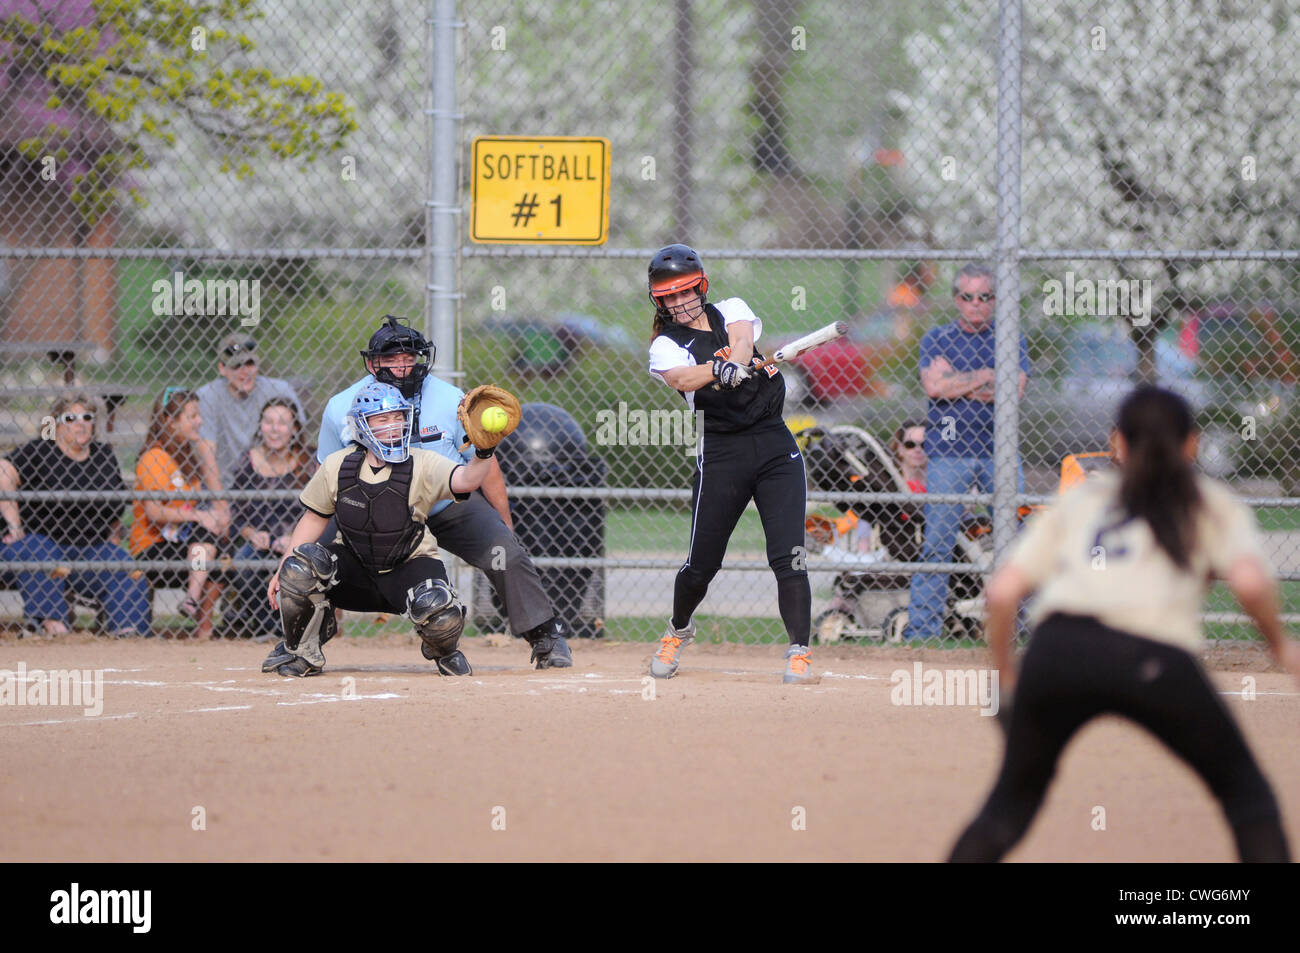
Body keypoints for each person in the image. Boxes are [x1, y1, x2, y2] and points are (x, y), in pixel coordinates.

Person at [949, 386, 1300, 863]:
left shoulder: (1083, 499)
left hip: (1058, 651)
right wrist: (1280, 646)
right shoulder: (1207, 501)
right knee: (1246, 796)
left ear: (1120, 443)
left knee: (1009, 806)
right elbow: (1251, 583)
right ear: (1192, 445)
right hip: (1153, 656)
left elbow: (1003, 592)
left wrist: (1007, 677)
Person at [282, 314, 572, 671]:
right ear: (373, 364)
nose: (404, 366)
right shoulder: (342, 407)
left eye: (410, 357)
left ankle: (545, 634)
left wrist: (504, 522)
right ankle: (298, 641)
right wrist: (290, 559)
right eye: (392, 358)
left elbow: (483, 466)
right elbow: (327, 474)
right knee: (303, 564)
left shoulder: (451, 399)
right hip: (369, 509)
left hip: (444, 503)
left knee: (504, 552)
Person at [645, 243, 814, 684]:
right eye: (668, 296)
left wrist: (735, 362)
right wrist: (716, 372)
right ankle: (679, 628)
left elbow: (742, 340)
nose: (679, 303)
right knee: (702, 564)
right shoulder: (665, 345)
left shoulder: (731, 308)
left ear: (702, 286)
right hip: (722, 452)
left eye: (686, 292)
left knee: (789, 556)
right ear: (659, 301)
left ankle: (799, 651)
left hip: (776, 446)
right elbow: (681, 379)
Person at [260, 381, 498, 677]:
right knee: (299, 567)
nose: (393, 425)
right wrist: (283, 567)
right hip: (353, 568)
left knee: (437, 607)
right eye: (382, 419)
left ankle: (442, 647)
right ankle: (303, 649)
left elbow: (466, 480)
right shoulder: (338, 465)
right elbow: (312, 519)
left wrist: (484, 451)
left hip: (408, 567)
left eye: (398, 417)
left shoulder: (421, 462)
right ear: (361, 425)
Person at [906, 263, 1029, 641]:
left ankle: (1022, 627)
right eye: (968, 296)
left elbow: (1014, 391)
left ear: (994, 300)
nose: (976, 304)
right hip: (949, 452)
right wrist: (987, 376)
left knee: (1018, 542)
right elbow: (933, 387)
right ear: (957, 299)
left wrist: (956, 381)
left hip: (999, 452)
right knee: (937, 545)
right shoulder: (938, 338)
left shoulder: (1010, 338)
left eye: (984, 296)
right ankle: (922, 632)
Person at [0, 394, 150, 637]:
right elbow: (3, 471)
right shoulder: (40, 450)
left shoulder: (103, 456)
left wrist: (112, 542)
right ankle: (51, 627)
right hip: (40, 543)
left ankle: (128, 632)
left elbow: (114, 509)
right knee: (40, 552)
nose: (81, 423)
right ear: (56, 423)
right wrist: (15, 528)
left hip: (89, 548)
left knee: (126, 568)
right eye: (71, 418)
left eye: (87, 417)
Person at [130, 387, 229, 638]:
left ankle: (199, 624)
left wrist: (207, 455)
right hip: (153, 545)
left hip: (187, 542)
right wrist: (198, 517)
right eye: (192, 416)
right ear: (170, 421)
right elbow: (154, 512)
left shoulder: (187, 457)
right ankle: (194, 607)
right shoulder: (154, 457)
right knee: (205, 537)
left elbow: (222, 510)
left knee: (218, 547)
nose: (200, 421)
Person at [219, 398, 317, 641]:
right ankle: (267, 628)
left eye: (282, 423)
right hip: (259, 542)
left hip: (297, 540)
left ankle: (294, 628)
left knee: (301, 570)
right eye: (269, 422)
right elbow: (238, 513)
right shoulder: (248, 460)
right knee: (244, 565)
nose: (274, 429)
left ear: (295, 428)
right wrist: (252, 534)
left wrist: (293, 539)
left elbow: (319, 509)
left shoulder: (309, 461)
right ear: (260, 426)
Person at [195, 333, 304, 500]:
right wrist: (220, 504)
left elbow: (299, 443)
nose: (244, 371)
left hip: (277, 485)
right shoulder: (207, 396)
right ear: (222, 368)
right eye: (236, 365)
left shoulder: (280, 390)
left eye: (249, 363)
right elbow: (206, 455)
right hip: (224, 487)